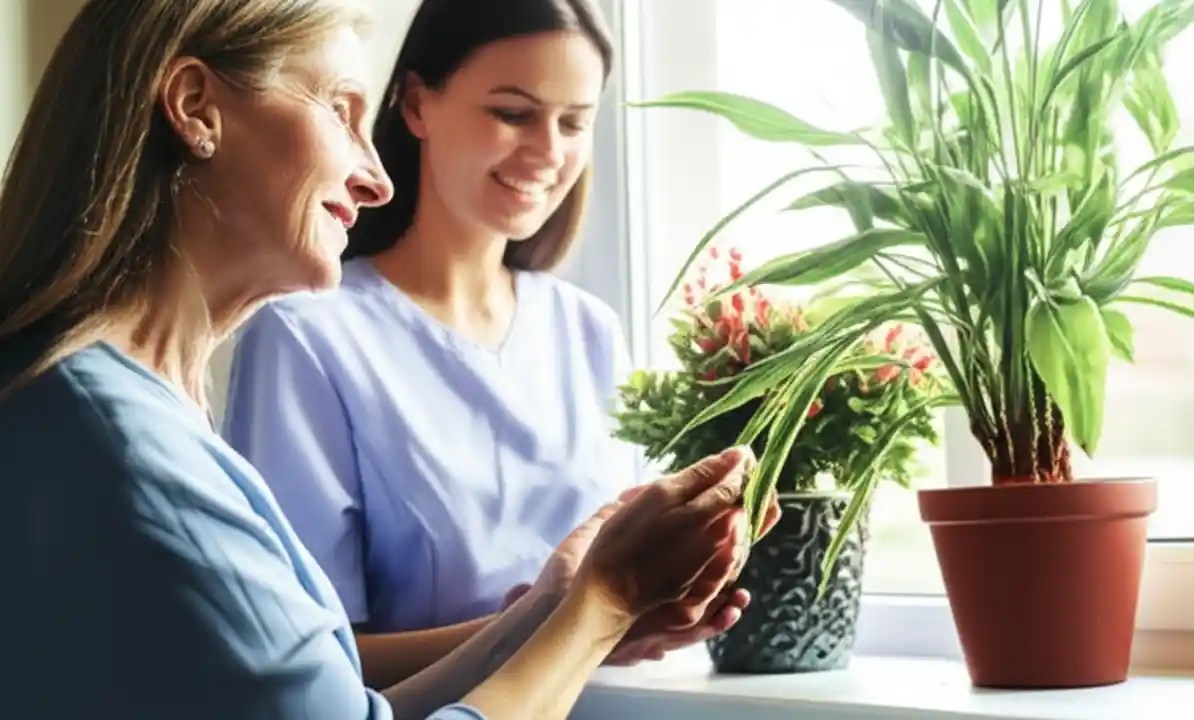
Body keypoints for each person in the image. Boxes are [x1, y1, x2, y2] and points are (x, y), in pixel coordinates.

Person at [0, 2, 779, 719]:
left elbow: (337, 699)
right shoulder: (125, 448)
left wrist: (565, 602)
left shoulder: (121, 415)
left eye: (574, 122)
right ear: (197, 108)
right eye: (341, 112)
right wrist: (602, 602)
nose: (375, 178)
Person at [220, 0, 744, 689]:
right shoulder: (306, 335)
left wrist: (635, 612)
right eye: (513, 113)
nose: (548, 152)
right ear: (416, 104)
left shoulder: (588, 332)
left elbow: (600, 591)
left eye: (574, 122)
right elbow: (303, 668)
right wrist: (572, 620)